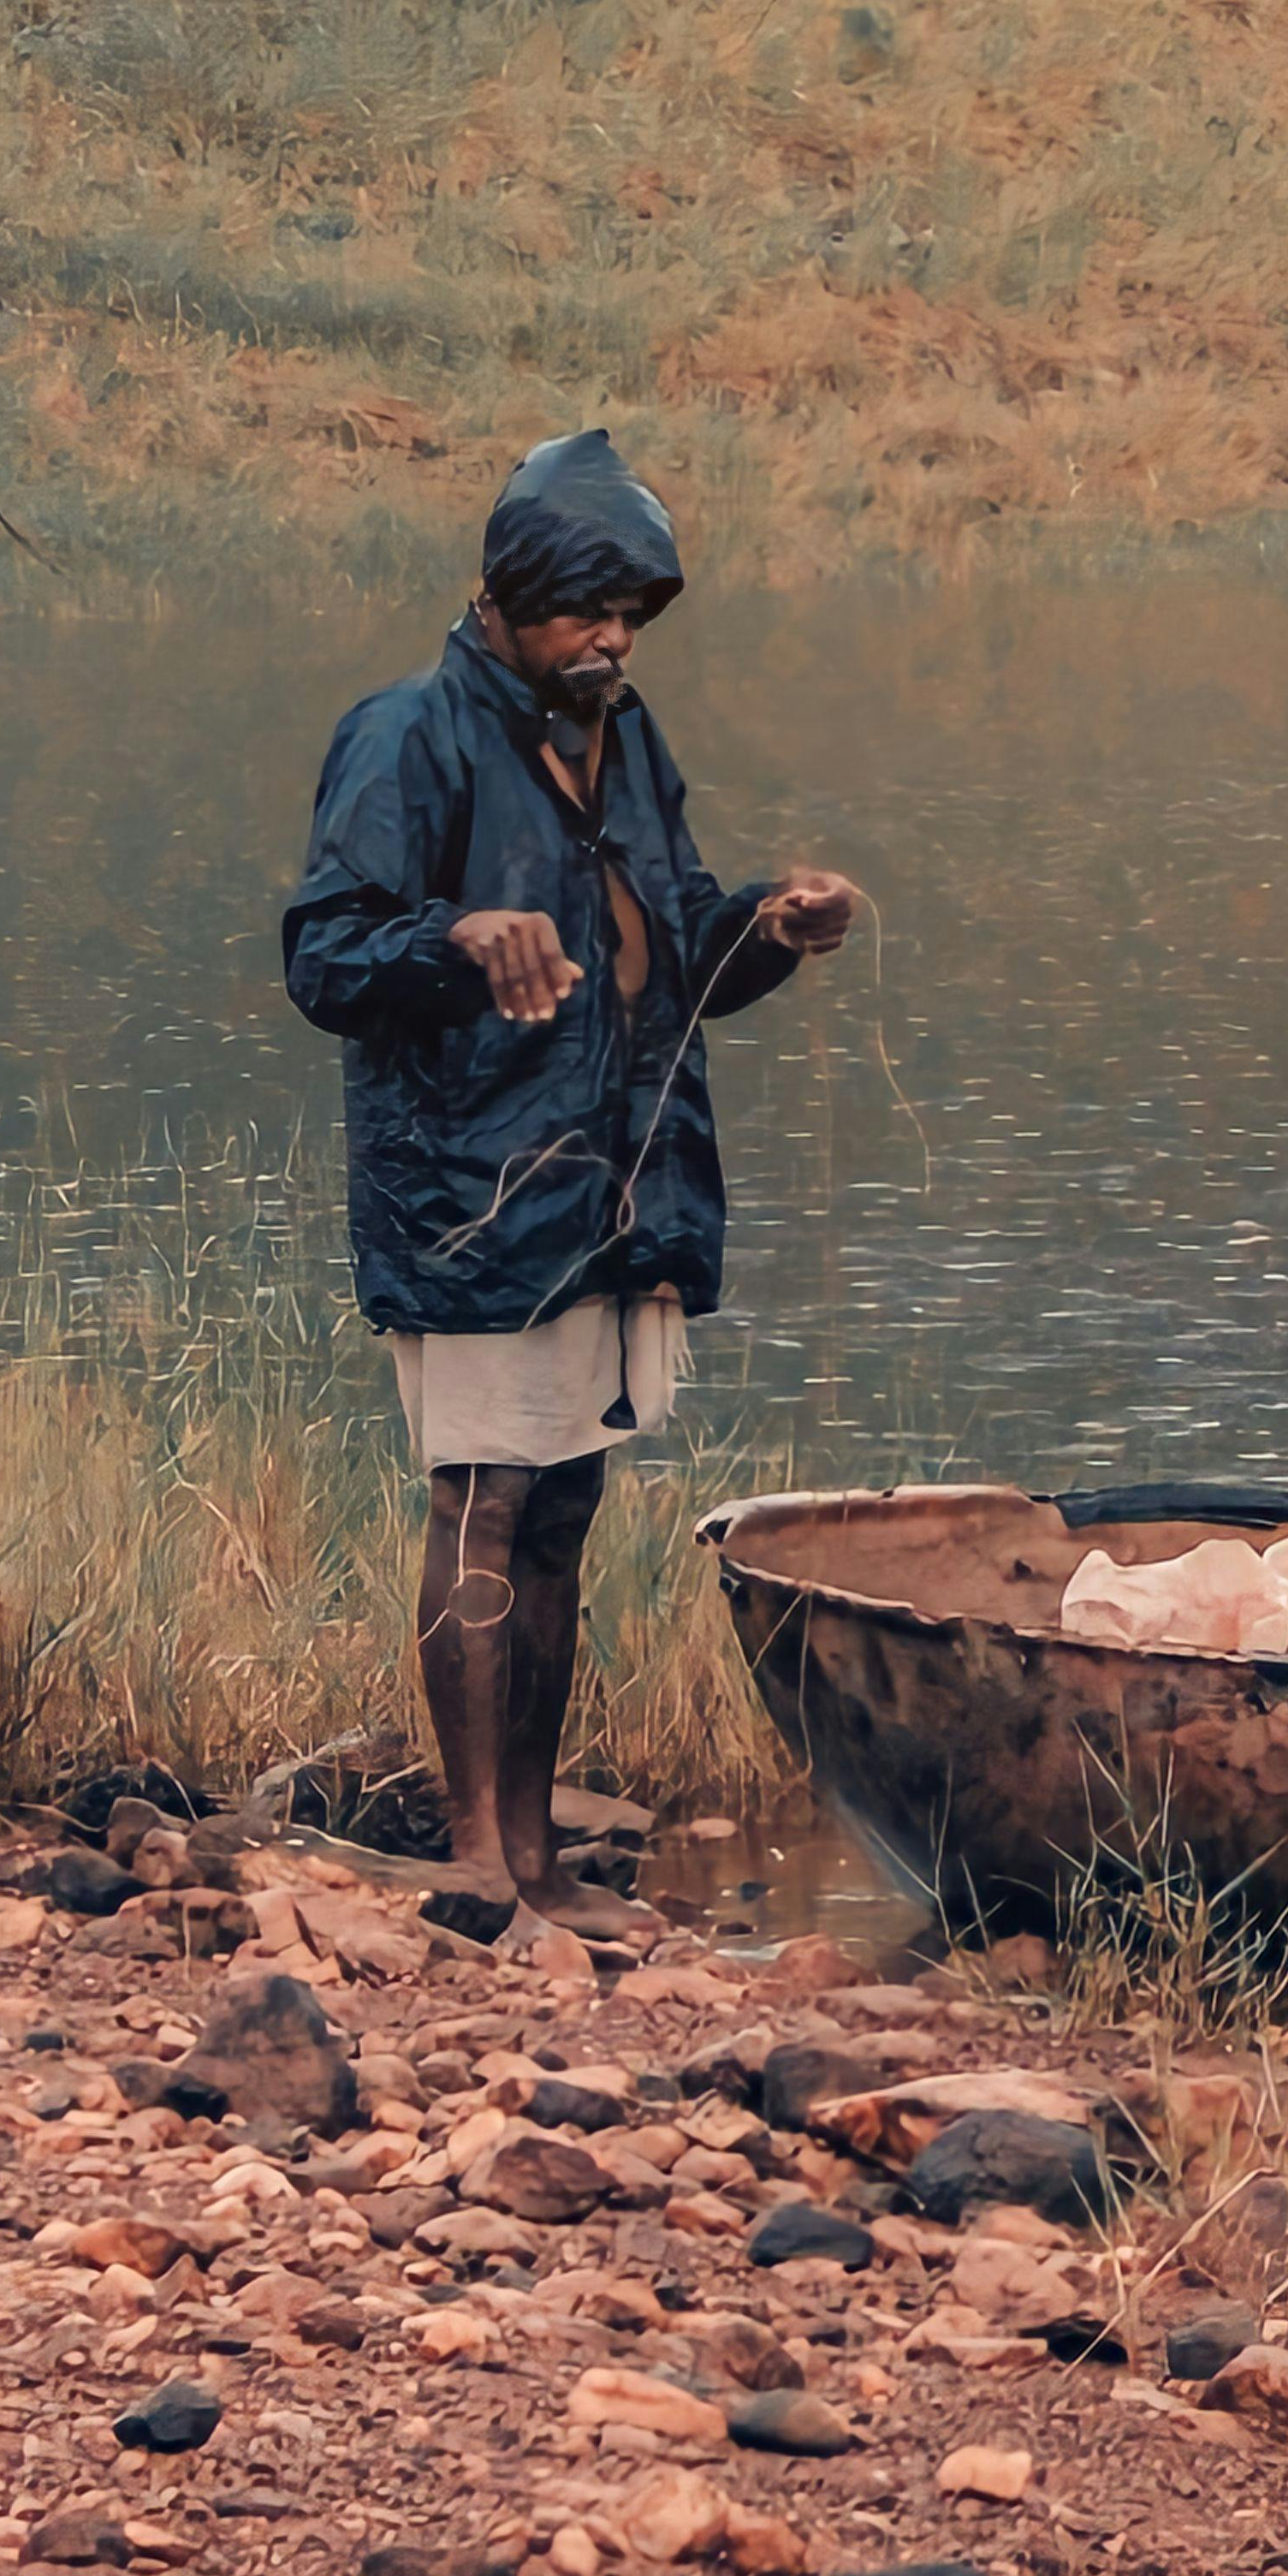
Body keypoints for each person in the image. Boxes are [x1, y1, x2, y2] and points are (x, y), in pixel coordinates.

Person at [282, 425, 863, 1920]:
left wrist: (772, 930)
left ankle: (534, 1857)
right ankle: (481, 1862)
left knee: (560, 1514)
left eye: (632, 616)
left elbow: (668, 964)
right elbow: (325, 955)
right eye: (585, 614)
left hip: (604, 1198)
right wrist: (456, 936)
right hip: (470, 1198)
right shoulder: (406, 735)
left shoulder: (627, 737)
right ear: (507, 601)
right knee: (480, 1501)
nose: (610, 639)